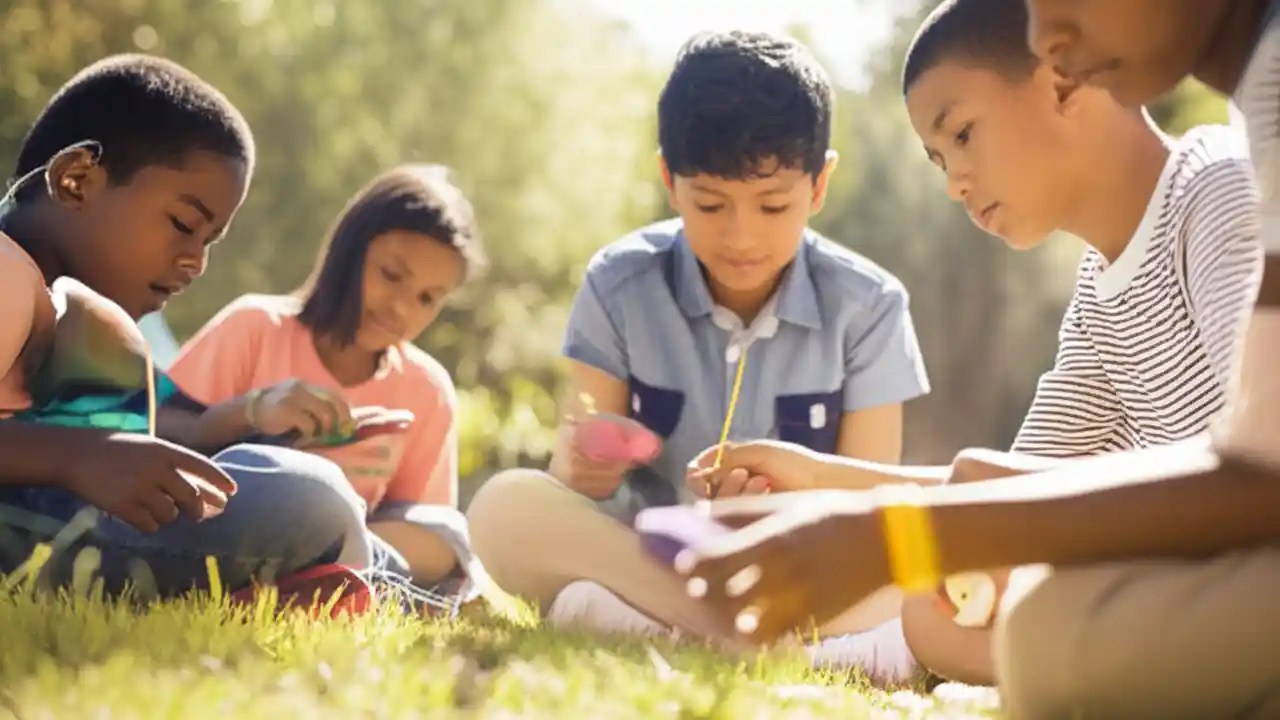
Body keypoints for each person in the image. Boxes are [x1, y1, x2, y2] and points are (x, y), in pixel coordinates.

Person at [676, 4, 1280, 716]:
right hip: (1204, 555)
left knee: (1037, 622)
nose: (955, 183)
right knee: (993, 574)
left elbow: (1251, 471)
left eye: (963, 135)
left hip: (1226, 552)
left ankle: (878, 649)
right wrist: (823, 482)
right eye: (939, 160)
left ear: (1064, 88)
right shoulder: (1100, 287)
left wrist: (890, 529)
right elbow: (1012, 486)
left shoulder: (1217, 189)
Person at [466, 30, 930, 677]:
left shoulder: (871, 305)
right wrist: (583, 467)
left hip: (799, 570)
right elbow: (576, 480)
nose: (742, 236)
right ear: (669, 180)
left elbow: (868, 501)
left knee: (933, 568)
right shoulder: (618, 283)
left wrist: (781, 501)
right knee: (505, 506)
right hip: (648, 559)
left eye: (773, 206)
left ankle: (628, 622)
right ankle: (792, 648)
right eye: (710, 204)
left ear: (820, 185)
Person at [0, 54, 373, 599]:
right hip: (37, 535)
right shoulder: (7, 270)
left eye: (207, 242)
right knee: (308, 501)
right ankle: (352, 578)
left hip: (80, 527)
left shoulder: (69, 312)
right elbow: (84, 453)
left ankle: (338, 580)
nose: (195, 263)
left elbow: (174, 425)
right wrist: (76, 457)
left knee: (270, 475)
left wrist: (257, 419)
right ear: (77, 180)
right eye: (183, 225)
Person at [168, 164, 486, 608]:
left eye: (427, 298)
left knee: (445, 537)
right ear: (349, 252)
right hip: (246, 522)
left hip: (361, 540)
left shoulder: (427, 388)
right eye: (392, 275)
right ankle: (338, 581)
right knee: (313, 500)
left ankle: (321, 581)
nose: (401, 308)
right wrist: (256, 413)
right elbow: (162, 429)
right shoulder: (255, 326)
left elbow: (414, 521)